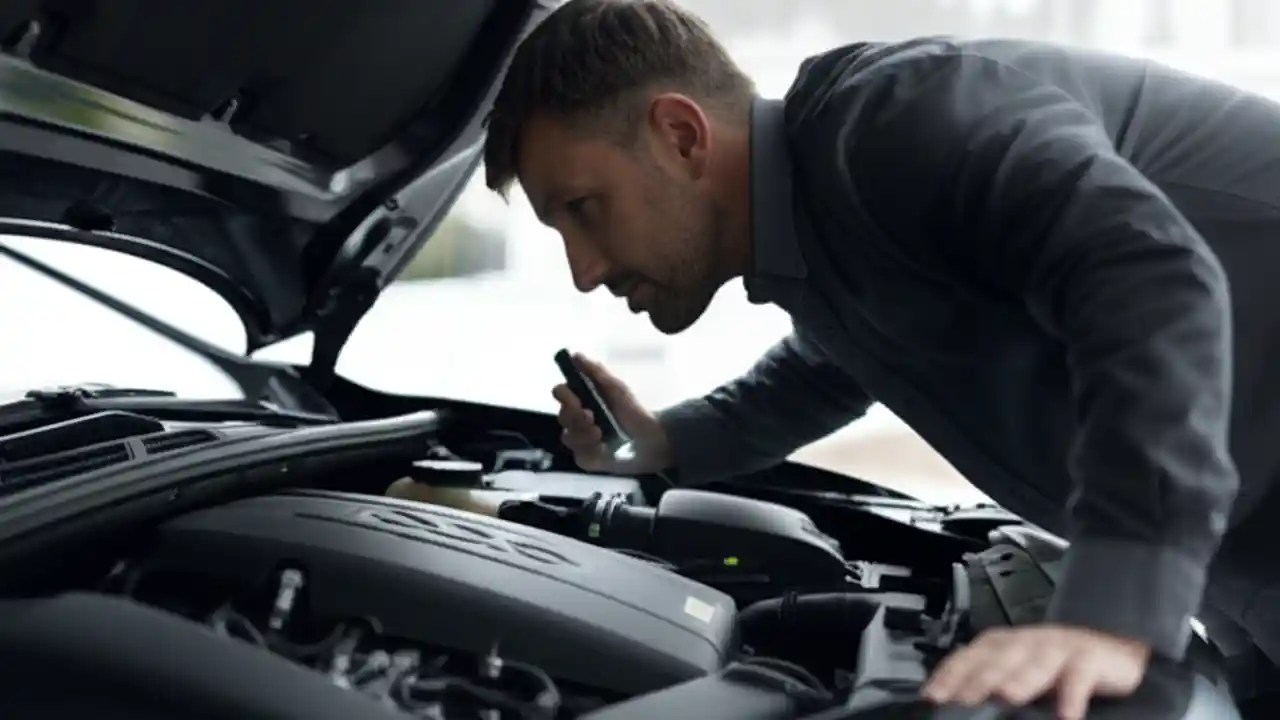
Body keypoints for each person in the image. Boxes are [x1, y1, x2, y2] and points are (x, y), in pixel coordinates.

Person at [481, 0, 1280, 717]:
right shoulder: (829, 225)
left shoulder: (902, 121)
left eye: (584, 210)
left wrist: (1116, 609)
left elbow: (1147, 278)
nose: (583, 270)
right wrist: (663, 443)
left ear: (682, 136)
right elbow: (826, 368)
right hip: (1240, 560)